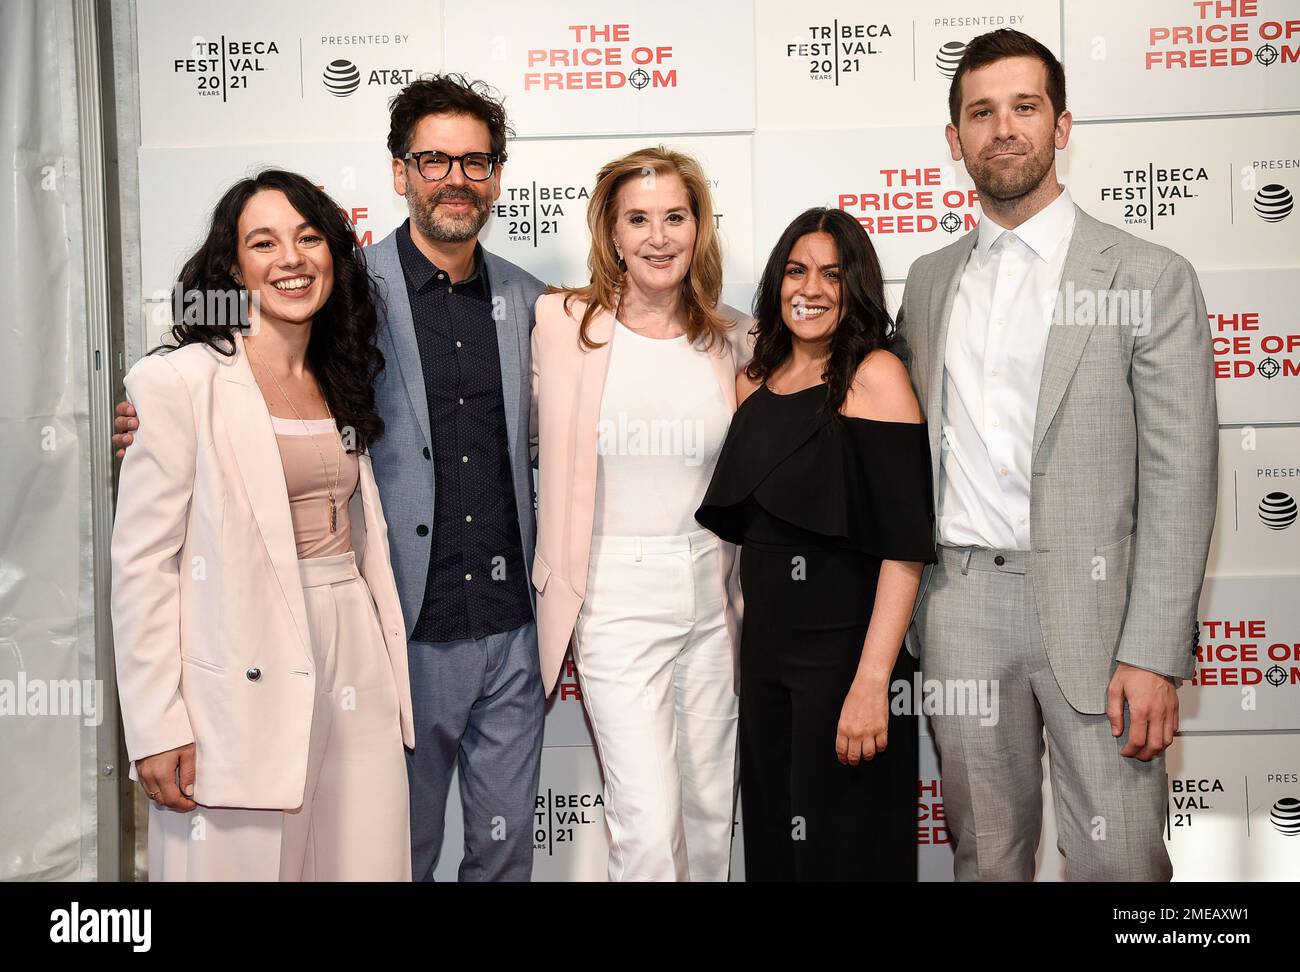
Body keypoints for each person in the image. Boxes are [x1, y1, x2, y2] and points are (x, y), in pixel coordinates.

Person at [115, 75, 547, 882]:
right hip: (401, 631)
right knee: (387, 855)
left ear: (497, 174)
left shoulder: (531, 302)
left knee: (491, 852)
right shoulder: (353, 291)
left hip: (502, 628)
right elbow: (222, 354)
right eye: (433, 160)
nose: (456, 178)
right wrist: (146, 418)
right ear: (398, 172)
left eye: (476, 162)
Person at [897, 29, 1217, 880]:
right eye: (981, 112)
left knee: (1124, 865)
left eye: (1024, 107)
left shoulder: (1147, 276)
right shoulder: (929, 282)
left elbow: (1182, 479)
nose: (1003, 129)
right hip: (959, 609)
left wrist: (1154, 649)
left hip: (1103, 617)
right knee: (986, 859)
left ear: (1062, 124)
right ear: (954, 139)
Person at [111, 170, 413, 881]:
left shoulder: (340, 375)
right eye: (264, 242)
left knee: (360, 861)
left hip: (354, 654)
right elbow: (142, 566)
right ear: (232, 266)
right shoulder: (177, 382)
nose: (292, 259)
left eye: (309, 238)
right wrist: (158, 726)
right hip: (237, 664)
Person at [530, 147, 751, 881]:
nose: (659, 237)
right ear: (613, 234)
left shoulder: (733, 335)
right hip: (614, 598)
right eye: (639, 219)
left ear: (699, 227)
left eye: (675, 217)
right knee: (648, 831)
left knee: (710, 818)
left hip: (713, 597)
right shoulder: (563, 324)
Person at [695, 207, 934, 881]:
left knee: (845, 859)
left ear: (855, 288)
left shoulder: (874, 377)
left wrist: (871, 683)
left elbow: (903, 548)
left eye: (834, 273)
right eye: (797, 270)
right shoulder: (754, 381)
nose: (813, 287)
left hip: (847, 661)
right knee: (779, 854)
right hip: (766, 662)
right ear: (777, 283)